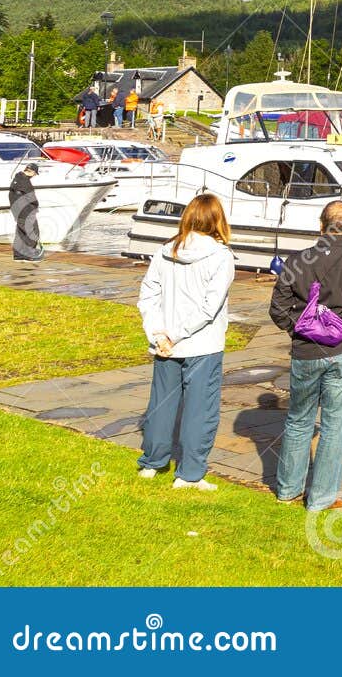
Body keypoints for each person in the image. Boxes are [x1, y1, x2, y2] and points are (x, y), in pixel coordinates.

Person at [270, 201, 342, 512]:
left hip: (308, 350)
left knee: (298, 420)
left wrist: (300, 331)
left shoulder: (297, 261)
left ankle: (287, 489)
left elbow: (277, 309)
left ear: (321, 225)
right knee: (334, 425)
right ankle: (320, 497)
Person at [136, 194, 235, 492]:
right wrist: (167, 334)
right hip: (201, 344)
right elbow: (209, 308)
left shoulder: (165, 250)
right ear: (218, 220)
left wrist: (159, 333)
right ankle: (189, 473)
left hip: (168, 341)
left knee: (161, 405)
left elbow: (148, 296)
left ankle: (153, 462)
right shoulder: (221, 256)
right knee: (199, 410)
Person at [9, 163, 42, 261]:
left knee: (21, 232)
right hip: (25, 211)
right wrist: (36, 206)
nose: (34, 176)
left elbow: (11, 196)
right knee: (32, 231)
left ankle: (18, 255)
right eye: (35, 174)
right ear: (32, 172)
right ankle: (29, 254)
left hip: (17, 210)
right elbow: (32, 198)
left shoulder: (17, 179)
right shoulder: (25, 181)